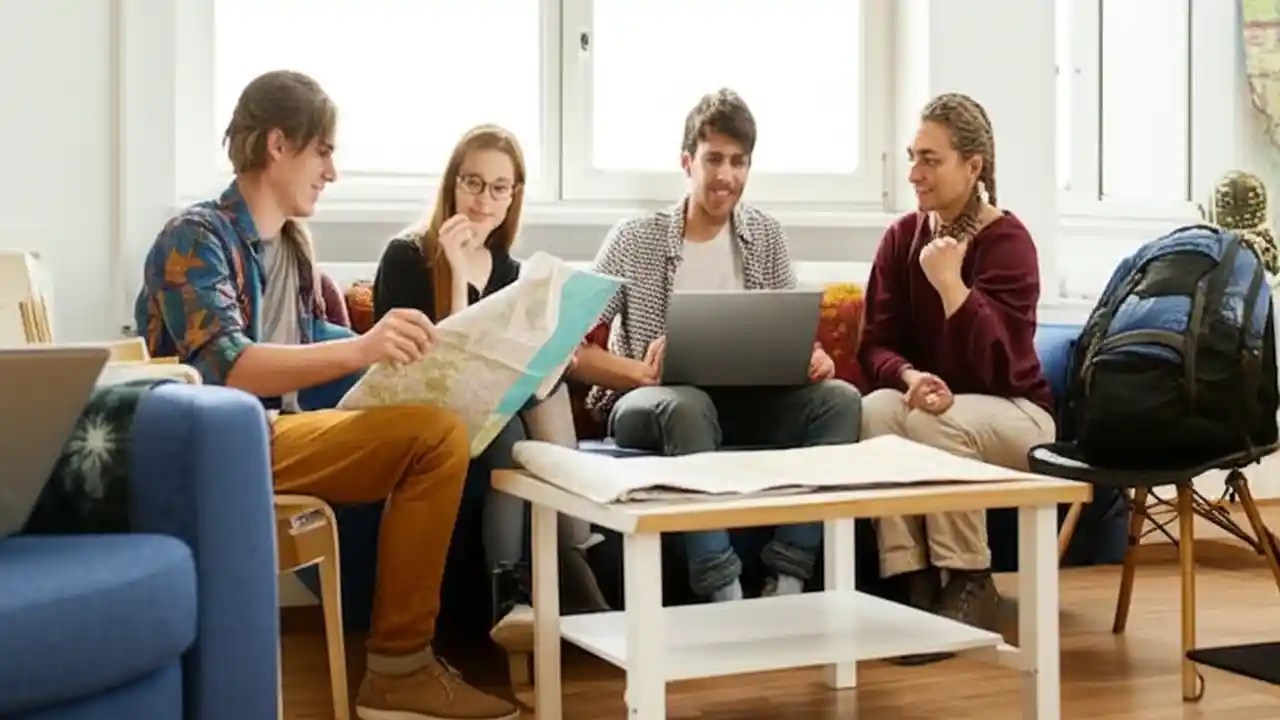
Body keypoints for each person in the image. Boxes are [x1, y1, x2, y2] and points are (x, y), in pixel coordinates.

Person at [135, 70, 518, 720]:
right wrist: (368, 348)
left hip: (279, 437)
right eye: (325, 152)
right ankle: (401, 670)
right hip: (219, 448)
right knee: (432, 438)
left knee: (436, 431)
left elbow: (314, 340)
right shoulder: (195, 237)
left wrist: (415, 357)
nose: (332, 172)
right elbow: (231, 366)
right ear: (279, 145)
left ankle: (404, 665)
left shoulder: (292, 247)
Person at [568, 88, 863, 603]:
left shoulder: (766, 237)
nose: (726, 175)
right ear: (687, 162)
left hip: (745, 403)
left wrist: (809, 358)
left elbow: (784, 334)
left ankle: (788, 576)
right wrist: (640, 373)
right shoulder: (636, 238)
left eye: (739, 161)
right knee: (689, 404)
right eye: (714, 159)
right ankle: (721, 587)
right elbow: (570, 351)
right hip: (652, 405)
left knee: (841, 400)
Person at [371, 124, 609, 643]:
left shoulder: (512, 272)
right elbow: (443, 371)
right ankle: (519, 593)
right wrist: (456, 273)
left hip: (499, 409)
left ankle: (570, 555)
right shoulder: (408, 256)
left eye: (500, 187)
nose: (484, 200)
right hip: (433, 414)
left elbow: (509, 370)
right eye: (473, 183)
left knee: (544, 398)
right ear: (452, 184)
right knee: (511, 441)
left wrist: (554, 351)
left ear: (513, 196)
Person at [858, 92, 1056, 643]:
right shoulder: (902, 238)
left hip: (1019, 412)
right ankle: (912, 577)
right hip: (934, 403)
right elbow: (874, 345)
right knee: (875, 411)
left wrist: (951, 284)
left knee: (930, 424)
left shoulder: (1010, 242)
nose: (915, 173)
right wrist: (908, 377)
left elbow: (998, 365)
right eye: (912, 156)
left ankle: (971, 578)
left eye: (931, 159)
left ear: (974, 166)